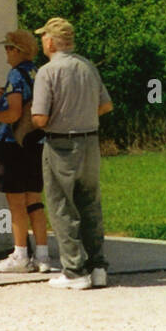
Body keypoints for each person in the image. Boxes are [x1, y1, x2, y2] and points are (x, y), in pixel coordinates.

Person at [30, 17, 113, 289]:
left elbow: (40, 118)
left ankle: (74, 271)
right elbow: (105, 105)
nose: (42, 41)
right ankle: (98, 266)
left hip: (60, 143)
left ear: (51, 41)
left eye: (44, 37)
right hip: (90, 141)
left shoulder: (47, 72)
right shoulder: (87, 66)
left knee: (63, 207)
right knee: (89, 204)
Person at [0, 30, 50, 273]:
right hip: (35, 142)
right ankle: (43, 255)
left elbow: (13, 114)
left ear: (17, 50)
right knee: (34, 199)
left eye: (8, 48)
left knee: (15, 201)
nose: (6, 52)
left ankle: (20, 254)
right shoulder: (36, 72)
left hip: (11, 143)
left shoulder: (15, 74)